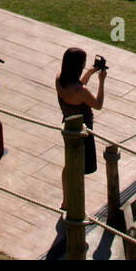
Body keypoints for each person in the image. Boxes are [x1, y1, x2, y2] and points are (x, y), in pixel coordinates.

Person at [56, 47, 105, 208]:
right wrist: (101, 81)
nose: (85, 65)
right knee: (80, 167)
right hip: (83, 131)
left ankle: (65, 199)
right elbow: (97, 104)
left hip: (68, 126)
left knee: (69, 164)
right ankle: (75, 203)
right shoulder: (79, 90)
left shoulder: (60, 79)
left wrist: (89, 73)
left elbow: (77, 88)